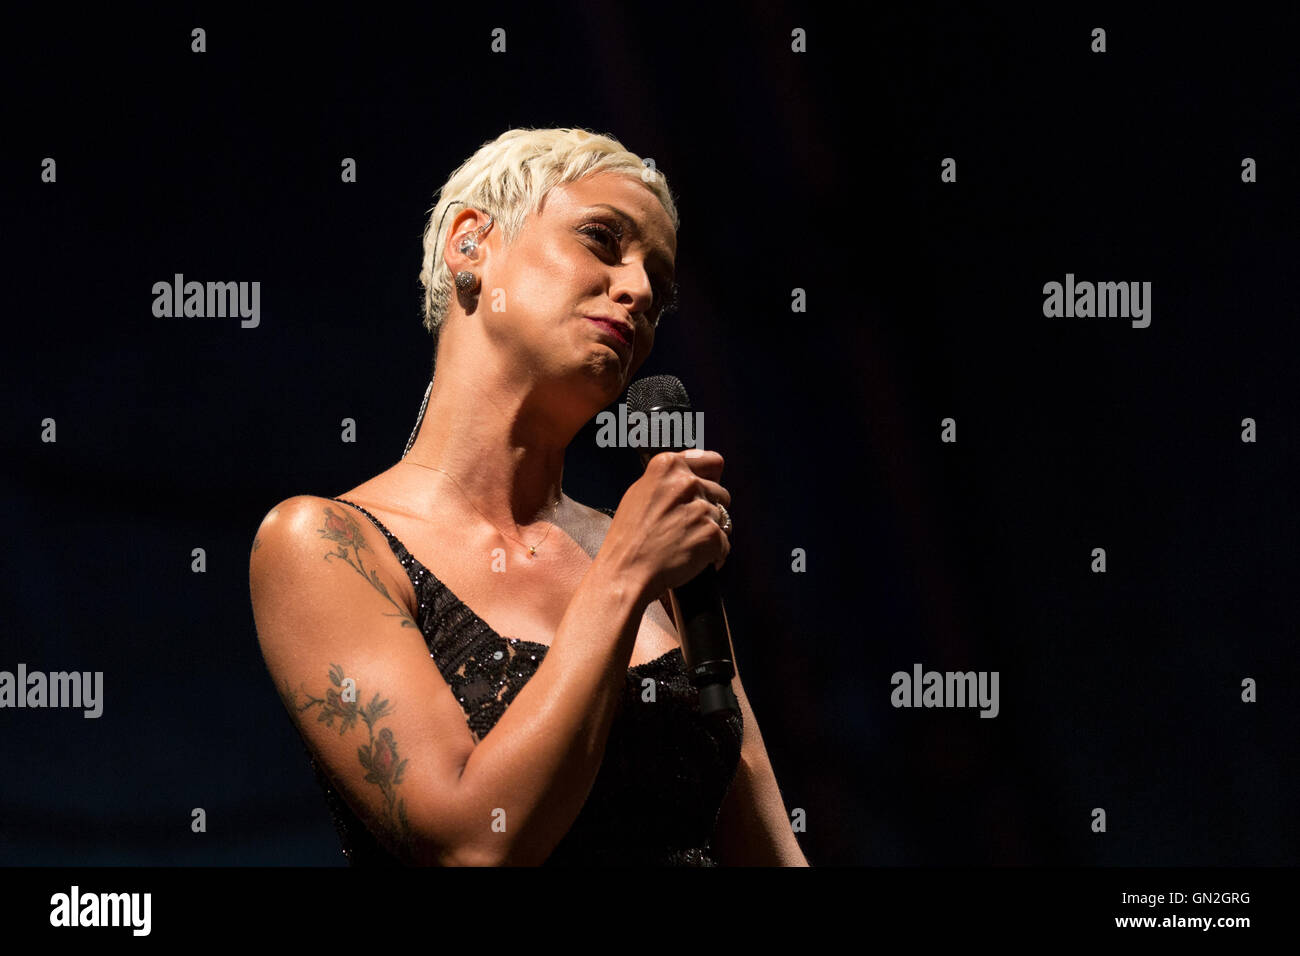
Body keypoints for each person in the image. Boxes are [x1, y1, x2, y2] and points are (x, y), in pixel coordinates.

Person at [249, 127, 808, 866]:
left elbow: (767, 854)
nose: (638, 291)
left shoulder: (654, 552)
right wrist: (623, 576)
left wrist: (637, 560)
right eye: (603, 240)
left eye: (658, 286)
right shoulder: (322, 545)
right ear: (471, 243)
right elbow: (472, 844)